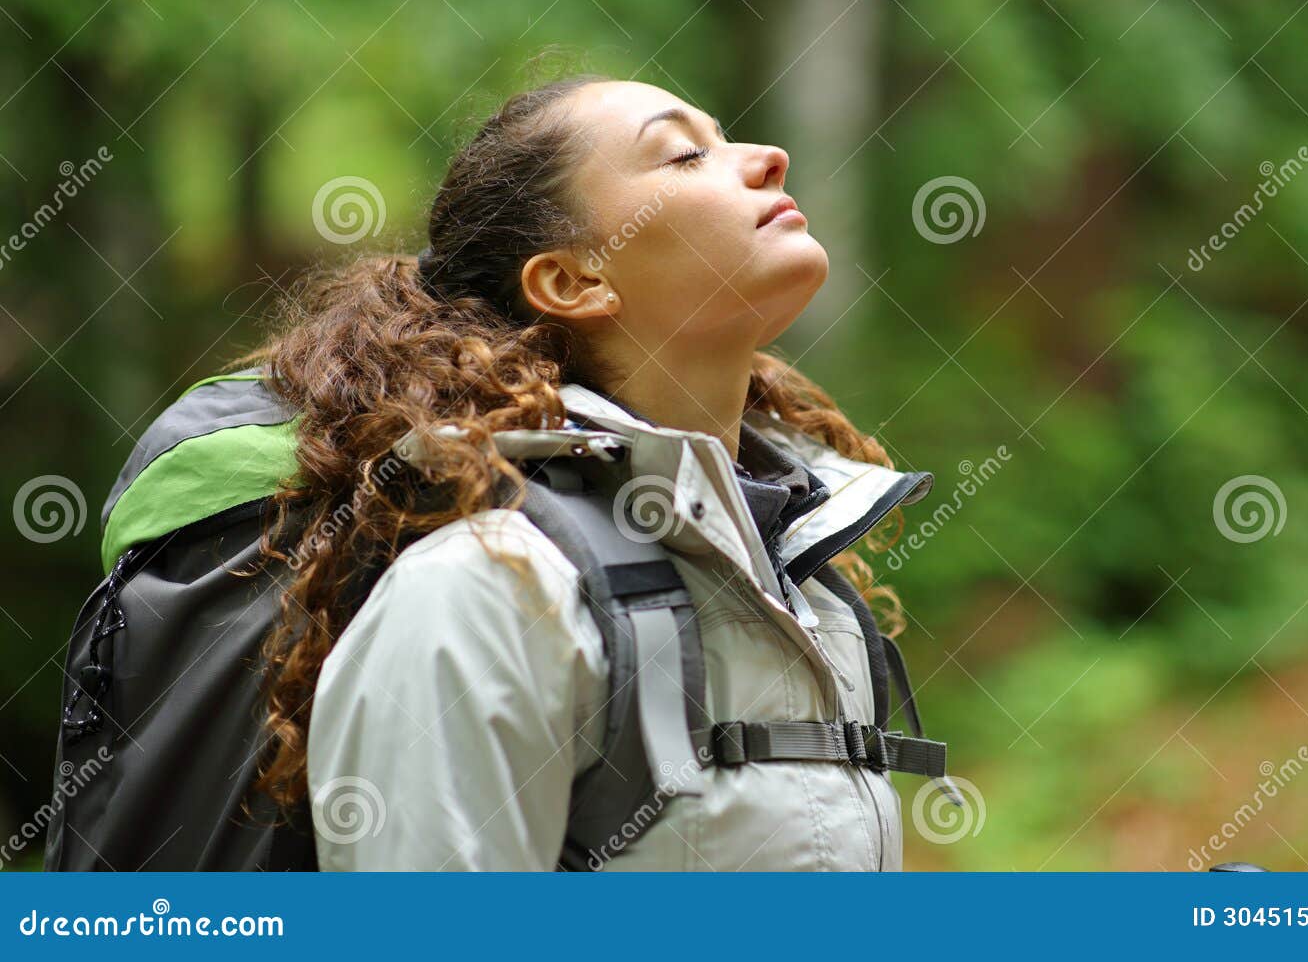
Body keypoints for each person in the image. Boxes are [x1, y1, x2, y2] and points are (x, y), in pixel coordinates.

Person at [250, 73, 945, 870]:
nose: (770, 158)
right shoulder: (487, 591)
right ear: (574, 280)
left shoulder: (808, 586)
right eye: (684, 155)